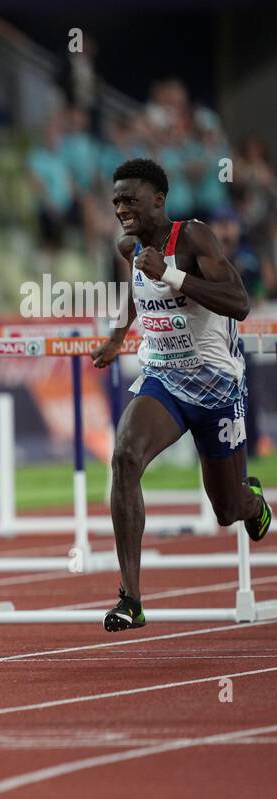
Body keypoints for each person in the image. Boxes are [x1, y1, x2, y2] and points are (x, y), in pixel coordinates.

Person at [91, 158, 269, 631]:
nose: (121, 208)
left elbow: (240, 303)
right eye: (115, 201)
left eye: (130, 200)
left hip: (216, 384)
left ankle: (254, 501)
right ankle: (131, 598)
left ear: (158, 200)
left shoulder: (192, 237)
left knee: (227, 510)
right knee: (125, 457)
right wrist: (117, 335)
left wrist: (171, 274)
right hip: (165, 379)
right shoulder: (128, 246)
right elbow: (135, 288)